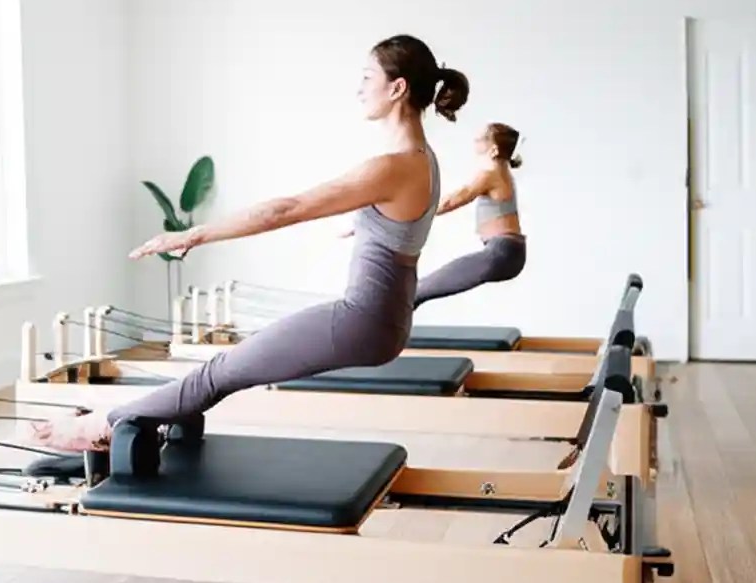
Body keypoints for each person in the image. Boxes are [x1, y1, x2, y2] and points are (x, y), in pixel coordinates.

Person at [25, 34, 470, 451]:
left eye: (367, 77)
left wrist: (193, 234)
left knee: (218, 372)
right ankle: (135, 417)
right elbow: (402, 224)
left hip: (363, 320)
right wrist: (364, 226)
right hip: (386, 322)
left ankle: (97, 427)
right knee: (222, 370)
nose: (359, 89)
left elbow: (285, 209)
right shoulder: (423, 161)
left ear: (397, 88)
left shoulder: (389, 167)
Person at [411, 122, 526, 308]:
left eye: (481, 139)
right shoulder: (502, 173)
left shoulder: (490, 174)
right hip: (508, 253)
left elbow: (456, 199)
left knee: (416, 291)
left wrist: (417, 214)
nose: (475, 140)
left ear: (494, 150)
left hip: (502, 253)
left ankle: (385, 333)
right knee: (417, 292)